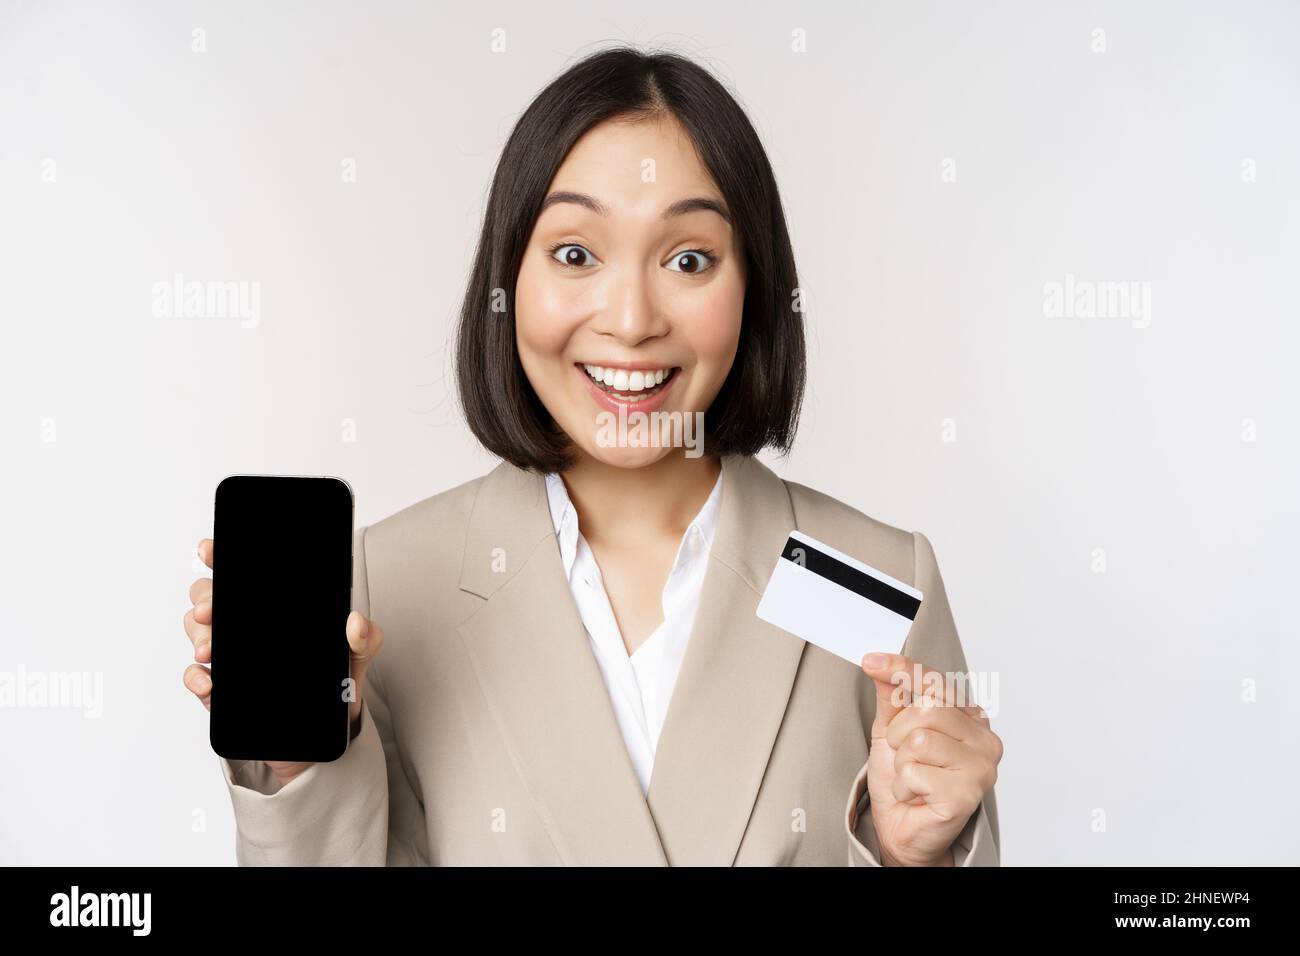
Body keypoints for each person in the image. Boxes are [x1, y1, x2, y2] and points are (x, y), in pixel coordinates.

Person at [181, 45, 1002, 866]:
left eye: (690, 259)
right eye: (575, 254)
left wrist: (911, 855)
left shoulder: (876, 586)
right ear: (508, 279)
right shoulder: (383, 592)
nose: (632, 318)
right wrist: (295, 768)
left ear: (754, 287)